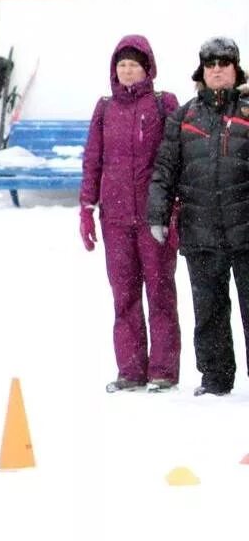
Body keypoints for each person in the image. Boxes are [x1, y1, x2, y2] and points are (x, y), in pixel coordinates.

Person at [147, 36, 249, 397]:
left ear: (236, 69)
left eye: (224, 63)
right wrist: (157, 214)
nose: (217, 69)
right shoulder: (185, 115)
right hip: (201, 231)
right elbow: (164, 169)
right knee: (209, 311)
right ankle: (216, 378)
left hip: (246, 231)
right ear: (202, 72)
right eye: (210, 64)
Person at [79, 36, 181, 394]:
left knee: (160, 292)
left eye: (134, 64)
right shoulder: (105, 108)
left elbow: (176, 159)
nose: (127, 70)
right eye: (121, 64)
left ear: (147, 68)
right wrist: (87, 209)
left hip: (155, 217)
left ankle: (163, 370)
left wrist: (175, 209)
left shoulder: (162, 104)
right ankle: (131, 370)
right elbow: (93, 160)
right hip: (116, 219)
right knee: (123, 295)